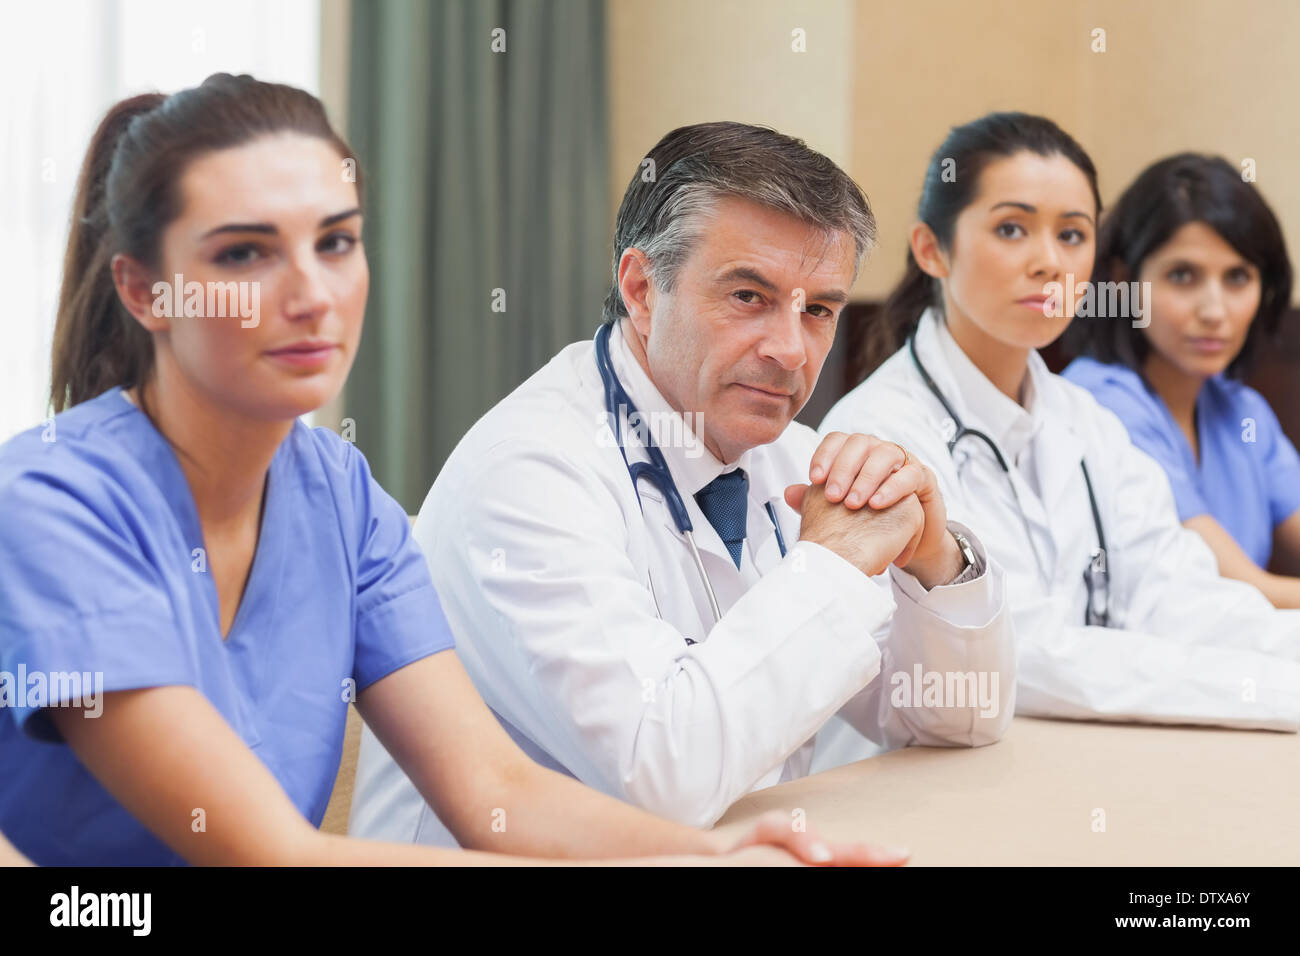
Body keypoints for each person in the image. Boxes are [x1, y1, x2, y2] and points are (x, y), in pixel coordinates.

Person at [0, 75, 894, 867]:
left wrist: (721, 851)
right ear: (145, 290)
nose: (312, 292)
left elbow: (497, 794)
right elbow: (267, 853)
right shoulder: (50, 503)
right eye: (244, 252)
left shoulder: (340, 496)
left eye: (336, 242)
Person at [350, 121, 1016, 847]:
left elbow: (962, 718)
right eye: (748, 297)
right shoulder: (529, 473)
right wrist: (830, 568)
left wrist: (937, 563)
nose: (791, 351)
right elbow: (662, 778)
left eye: (818, 309)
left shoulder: (794, 461)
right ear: (641, 289)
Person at [820, 112, 1300, 734]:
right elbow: (1029, 652)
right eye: (1012, 228)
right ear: (932, 249)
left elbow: (1179, 595)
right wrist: (1273, 693)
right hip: (913, 781)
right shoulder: (880, 434)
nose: (1049, 262)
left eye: (1072, 235)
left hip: (1064, 755)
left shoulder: (1089, 425)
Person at [1062, 154, 1300, 607]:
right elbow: (1237, 589)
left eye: (1237, 277)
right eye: (1182, 276)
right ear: (1124, 280)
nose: (1214, 311)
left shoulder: (1244, 412)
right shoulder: (1098, 402)